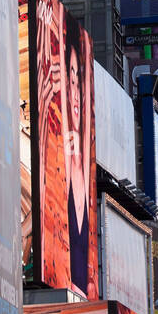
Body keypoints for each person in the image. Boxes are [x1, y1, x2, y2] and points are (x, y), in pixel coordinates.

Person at [63, 20, 90, 295]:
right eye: (69, 79)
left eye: (77, 79)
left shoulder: (86, 162)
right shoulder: (57, 163)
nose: (74, 90)